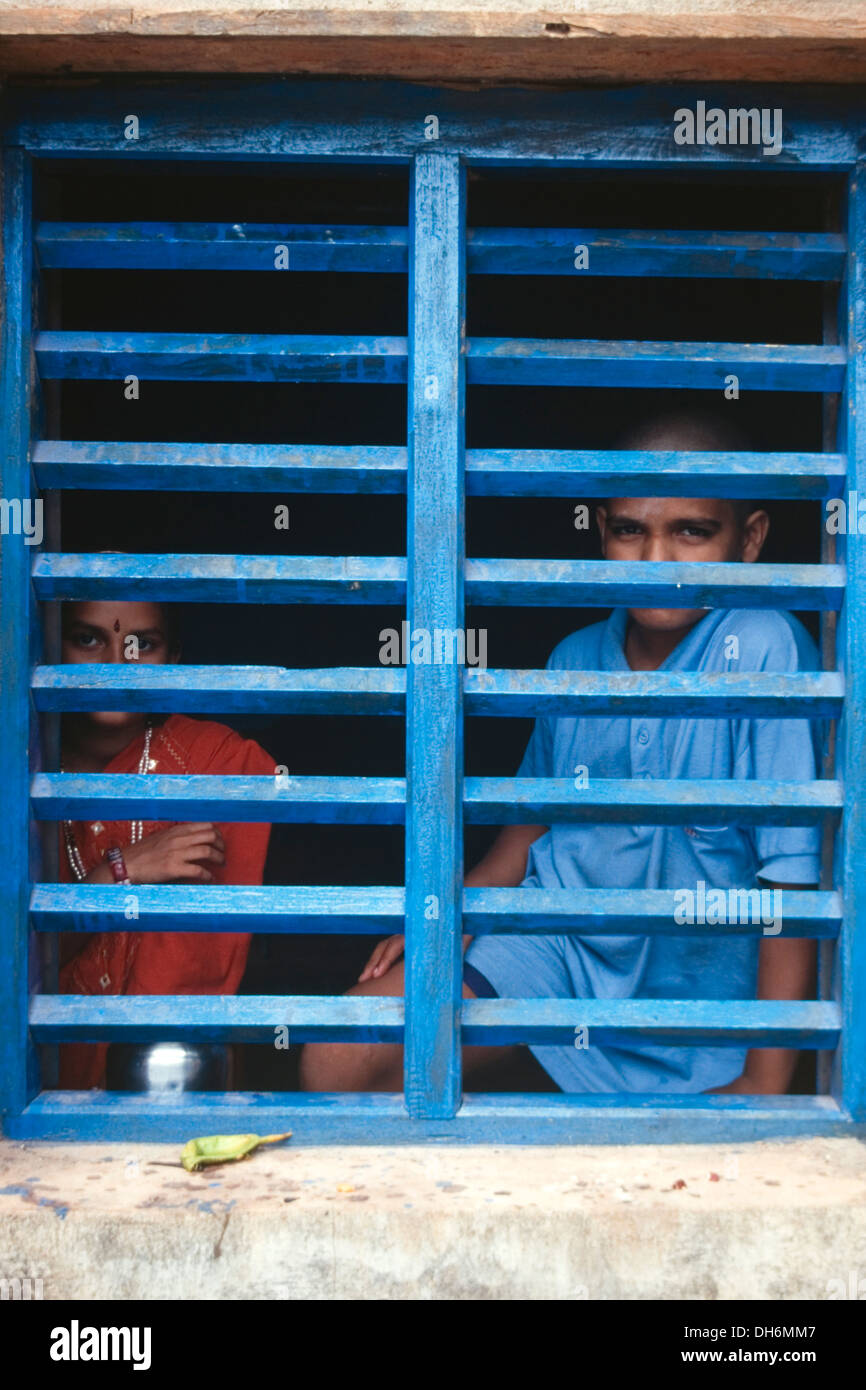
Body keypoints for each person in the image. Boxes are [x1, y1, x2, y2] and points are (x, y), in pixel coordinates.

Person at [300, 409, 820, 1096]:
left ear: (749, 540)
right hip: (557, 948)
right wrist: (448, 923)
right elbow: (523, 843)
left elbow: (792, 881)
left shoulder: (762, 647)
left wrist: (766, 1079)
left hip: (698, 987)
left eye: (692, 532)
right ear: (601, 530)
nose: (656, 561)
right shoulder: (572, 658)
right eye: (631, 530)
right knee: (339, 1055)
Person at [57, 596, 276, 1088]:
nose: (116, 664)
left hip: (157, 1082)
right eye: (88, 639)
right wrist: (119, 872)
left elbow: (189, 980)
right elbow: (16, 962)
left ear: (172, 660)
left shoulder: (218, 765)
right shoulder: (18, 769)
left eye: (142, 644)